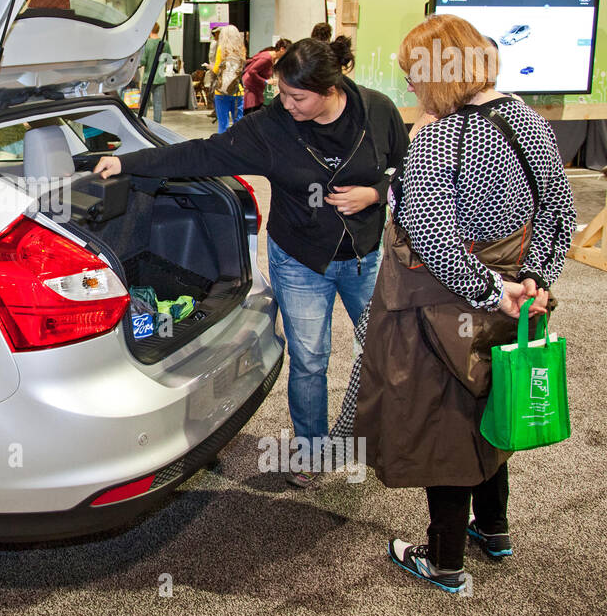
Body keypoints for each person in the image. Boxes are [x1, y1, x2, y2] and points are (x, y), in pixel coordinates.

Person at [93, 35, 409, 486]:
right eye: (282, 91)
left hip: (364, 253)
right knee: (311, 359)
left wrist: (375, 193)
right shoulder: (272, 126)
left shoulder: (377, 111)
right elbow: (203, 152)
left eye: (297, 96)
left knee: (383, 348)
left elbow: (409, 168)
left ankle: (380, 440)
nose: (287, 103)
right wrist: (130, 163)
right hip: (300, 258)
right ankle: (314, 453)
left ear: (329, 88)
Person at [333, 14, 576, 593]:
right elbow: (558, 212)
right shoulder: (527, 121)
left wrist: (494, 292)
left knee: (443, 422)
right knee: (496, 402)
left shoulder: (445, 136)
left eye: (415, 77)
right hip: (515, 296)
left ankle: (443, 561)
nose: (411, 89)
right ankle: (493, 528)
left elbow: (431, 237)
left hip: (443, 305)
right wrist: (530, 284)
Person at [208, 23, 246, 133]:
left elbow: (216, 70)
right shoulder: (241, 50)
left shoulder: (221, 49)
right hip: (237, 91)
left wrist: (211, 67)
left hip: (222, 91)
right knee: (238, 123)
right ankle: (238, 146)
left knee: (223, 124)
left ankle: (222, 148)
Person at [242, 38, 290, 115]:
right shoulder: (267, 58)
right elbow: (252, 71)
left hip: (256, 91)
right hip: (251, 91)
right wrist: (265, 81)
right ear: (282, 49)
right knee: (252, 116)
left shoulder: (271, 58)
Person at [140, 23, 172, 123]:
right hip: (160, 78)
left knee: (144, 104)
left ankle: (142, 123)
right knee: (158, 104)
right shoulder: (165, 43)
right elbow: (169, 59)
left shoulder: (146, 43)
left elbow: (143, 61)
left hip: (147, 78)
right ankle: (157, 126)